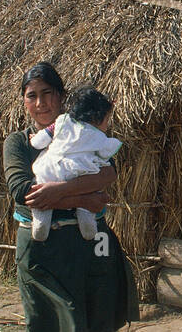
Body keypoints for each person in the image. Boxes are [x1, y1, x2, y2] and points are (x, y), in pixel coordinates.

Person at [3, 62, 139, 332]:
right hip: (41, 249)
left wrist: (67, 193)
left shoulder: (84, 132)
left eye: (48, 94)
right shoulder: (18, 143)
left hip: (89, 245)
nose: (41, 102)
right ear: (24, 102)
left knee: (93, 320)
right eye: (32, 95)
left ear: (62, 98)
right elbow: (25, 193)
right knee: (42, 325)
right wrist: (83, 198)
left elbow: (107, 173)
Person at [29, 86, 121, 241]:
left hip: (53, 168)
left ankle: (41, 219)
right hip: (81, 171)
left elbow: (39, 142)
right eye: (107, 119)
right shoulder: (99, 136)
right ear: (98, 118)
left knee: (40, 181)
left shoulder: (62, 121)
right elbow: (107, 156)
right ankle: (86, 217)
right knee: (89, 188)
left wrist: (34, 139)